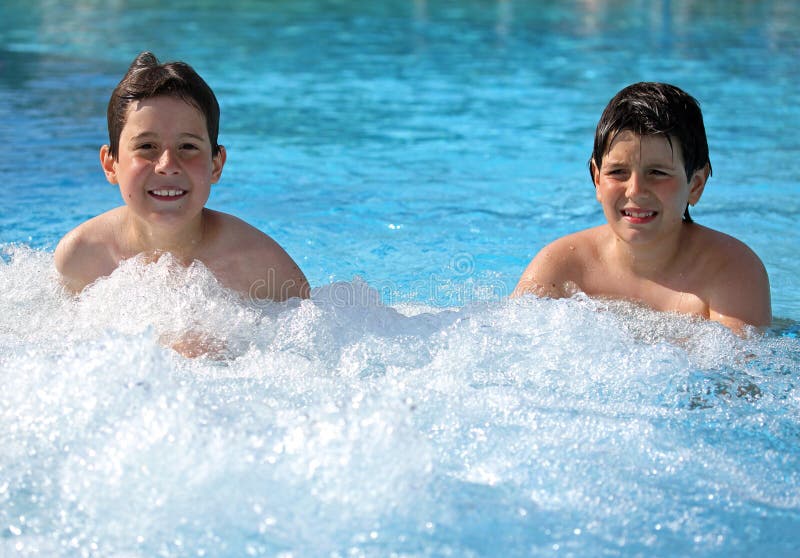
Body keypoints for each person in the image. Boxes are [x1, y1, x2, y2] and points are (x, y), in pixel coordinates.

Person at [513, 82, 771, 333]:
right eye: (618, 172)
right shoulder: (562, 266)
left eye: (657, 172)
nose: (635, 190)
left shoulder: (730, 271)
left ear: (696, 185)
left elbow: (738, 375)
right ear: (597, 179)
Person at [55, 52, 309, 303]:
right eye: (146, 147)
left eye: (187, 147)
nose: (168, 165)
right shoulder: (81, 258)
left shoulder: (266, 270)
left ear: (216, 165)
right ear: (111, 165)